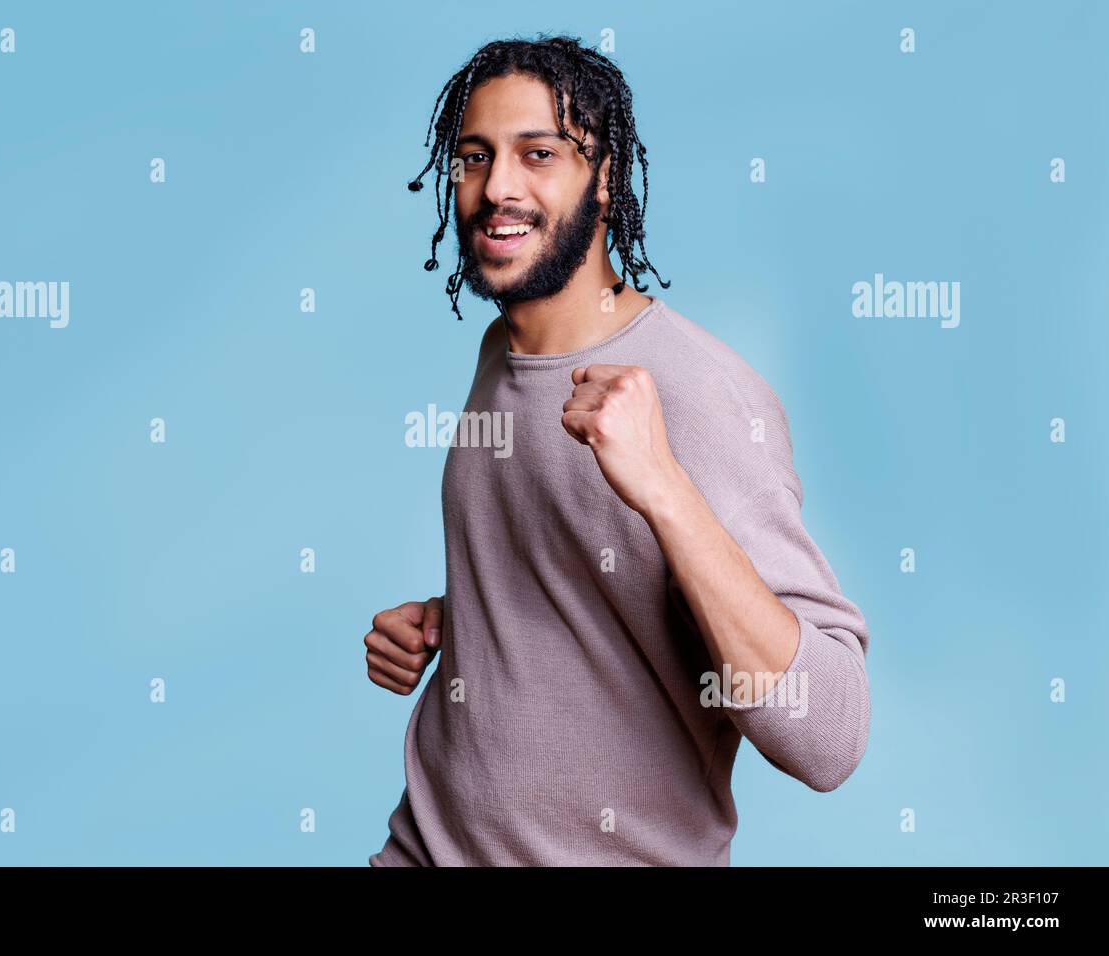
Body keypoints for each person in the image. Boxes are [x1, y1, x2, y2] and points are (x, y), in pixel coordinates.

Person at [365, 34, 870, 866]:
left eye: (539, 155)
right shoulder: (505, 347)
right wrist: (462, 621)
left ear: (604, 181)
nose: (498, 189)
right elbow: (605, 589)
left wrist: (664, 487)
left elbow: (832, 735)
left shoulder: (701, 396)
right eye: (475, 157)